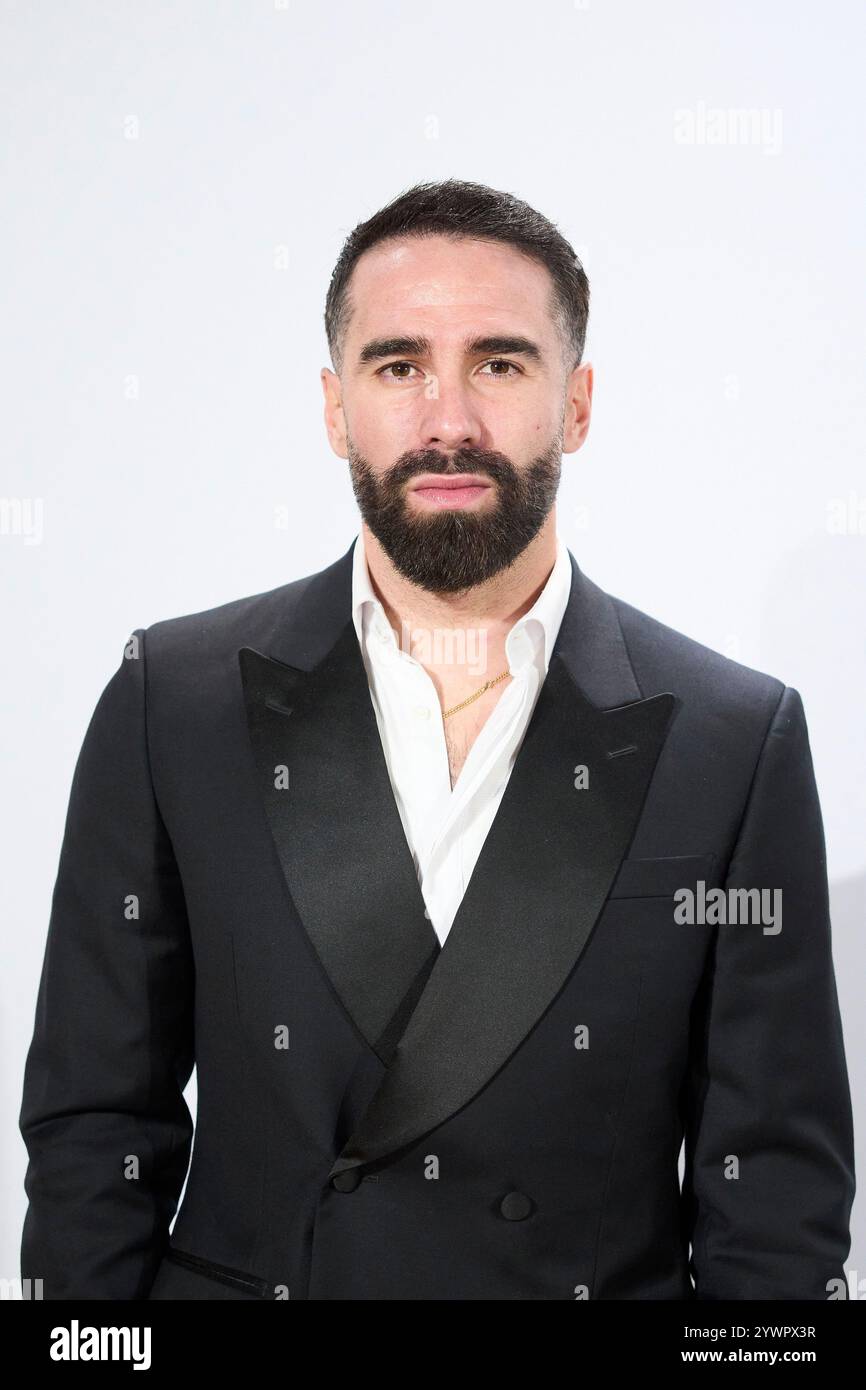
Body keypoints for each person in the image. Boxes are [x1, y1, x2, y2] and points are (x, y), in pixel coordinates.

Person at [20, 179, 855, 1300]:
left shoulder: (730, 738)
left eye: (500, 364)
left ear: (577, 404)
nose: (447, 421)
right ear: (334, 407)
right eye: (398, 365)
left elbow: (776, 1207)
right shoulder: (172, 700)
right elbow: (93, 1129)